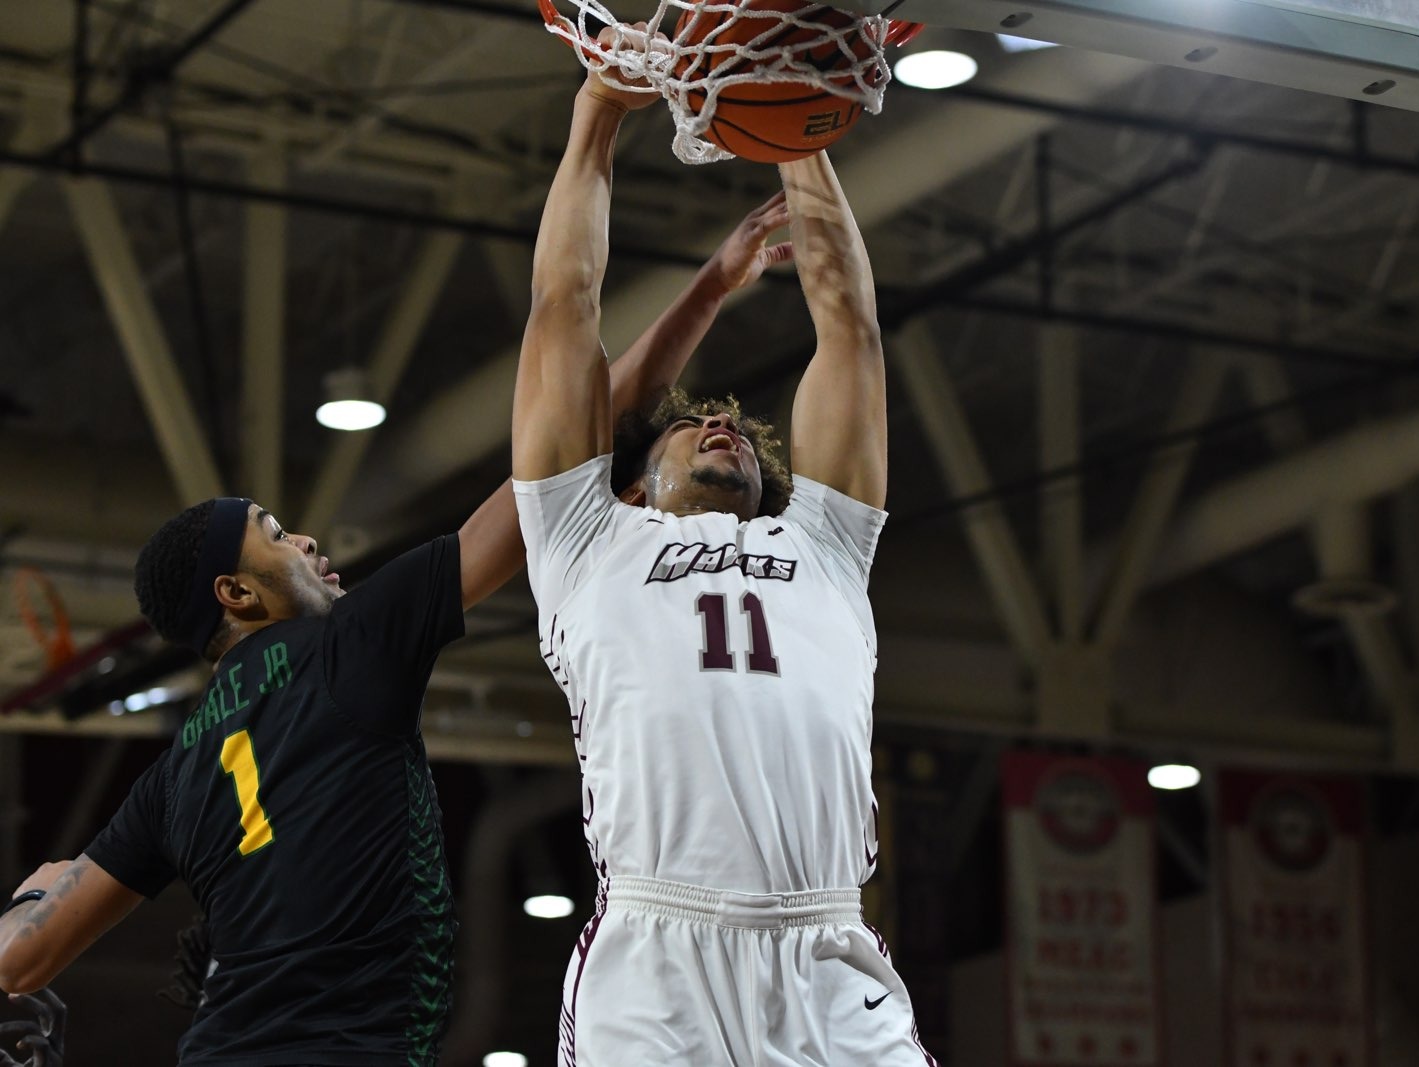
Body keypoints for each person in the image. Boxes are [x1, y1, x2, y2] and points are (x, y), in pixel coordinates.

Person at [0, 196, 798, 1065]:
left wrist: (35, 894)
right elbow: (568, 455)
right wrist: (709, 291)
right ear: (234, 591)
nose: (305, 539)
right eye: (274, 532)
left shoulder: (173, 774)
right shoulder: (345, 646)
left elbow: (25, 956)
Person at [512, 47, 936, 1067]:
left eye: (739, 428)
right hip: (658, 950)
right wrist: (597, 112)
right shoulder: (584, 536)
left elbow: (850, 329)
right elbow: (564, 305)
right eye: (691, 424)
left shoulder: (825, 542)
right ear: (633, 475)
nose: (721, 428)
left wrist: (802, 131)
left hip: (827, 943)